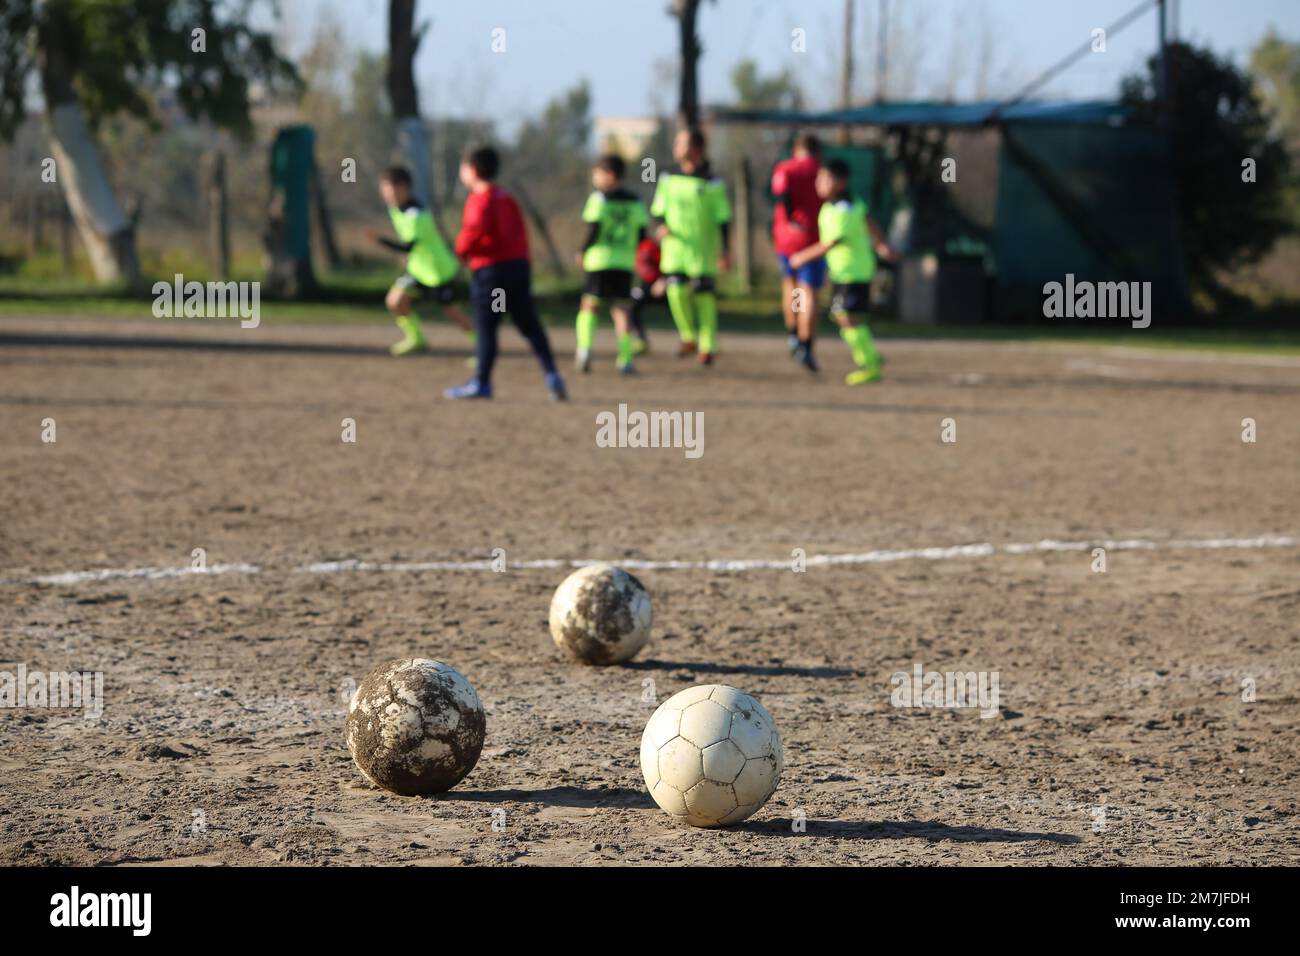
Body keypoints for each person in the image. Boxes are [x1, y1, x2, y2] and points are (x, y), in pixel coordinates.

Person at [445, 146, 567, 401]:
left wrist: (460, 252)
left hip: (492, 272)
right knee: (529, 324)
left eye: (463, 167)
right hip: (517, 269)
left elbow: (474, 231)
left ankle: (481, 383)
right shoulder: (506, 197)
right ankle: (552, 374)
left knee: (487, 327)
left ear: (473, 170)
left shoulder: (480, 198)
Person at [787, 158, 898, 385]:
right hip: (845, 271)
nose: (819, 183)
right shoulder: (844, 203)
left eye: (825, 179)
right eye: (819, 178)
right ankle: (870, 356)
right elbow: (868, 220)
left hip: (853, 270)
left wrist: (801, 257)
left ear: (840, 182)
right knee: (844, 316)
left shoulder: (842, 210)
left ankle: (869, 364)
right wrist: (881, 244)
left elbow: (830, 243)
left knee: (846, 316)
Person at [365, 166, 474, 357]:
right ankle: (417, 339)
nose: (384, 193)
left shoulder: (417, 214)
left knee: (452, 312)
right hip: (418, 269)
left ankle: (481, 346)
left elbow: (407, 247)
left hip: (438, 270)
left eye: (388, 188)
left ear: (403, 187)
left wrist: (378, 240)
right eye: (383, 188)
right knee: (395, 302)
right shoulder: (394, 208)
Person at [650, 127, 731, 366]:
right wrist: (661, 225)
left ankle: (708, 346)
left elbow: (723, 218)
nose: (676, 148)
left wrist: (725, 250)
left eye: (681, 143)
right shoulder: (667, 177)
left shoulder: (712, 182)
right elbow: (658, 210)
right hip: (675, 248)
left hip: (702, 251)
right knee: (675, 290)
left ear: (696, 150)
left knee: (703, 296)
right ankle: (688, 335)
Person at [574, 154, 649, 374]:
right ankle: (625, 359)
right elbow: (643, 234)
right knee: (621, 311)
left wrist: (582, 250)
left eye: (597, 173)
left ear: (609, 175)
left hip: (599, 259)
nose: (594, 178)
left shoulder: (599, 199)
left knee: (589, 305)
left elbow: (593, 229)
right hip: (625, 261)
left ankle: (584, 351)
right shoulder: (636, 202)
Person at [771, 133, 825, 371]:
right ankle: (806, 343)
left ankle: (793, 335)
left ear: (795, 148)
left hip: (786, 237)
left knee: (790, 286)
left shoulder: (785, 168)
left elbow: (781, 193)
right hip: (813, 237)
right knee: (808, 292)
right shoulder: (822, 171)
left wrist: (791, 216)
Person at [626, 234, 664, 354]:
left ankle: (695, 340)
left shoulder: (651, 246)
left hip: (659, 285)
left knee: (679, 310)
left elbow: (666, 264)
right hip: (644, 286)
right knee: (631, 309)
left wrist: (663, 280)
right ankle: (641, 340)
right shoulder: (633, 247)